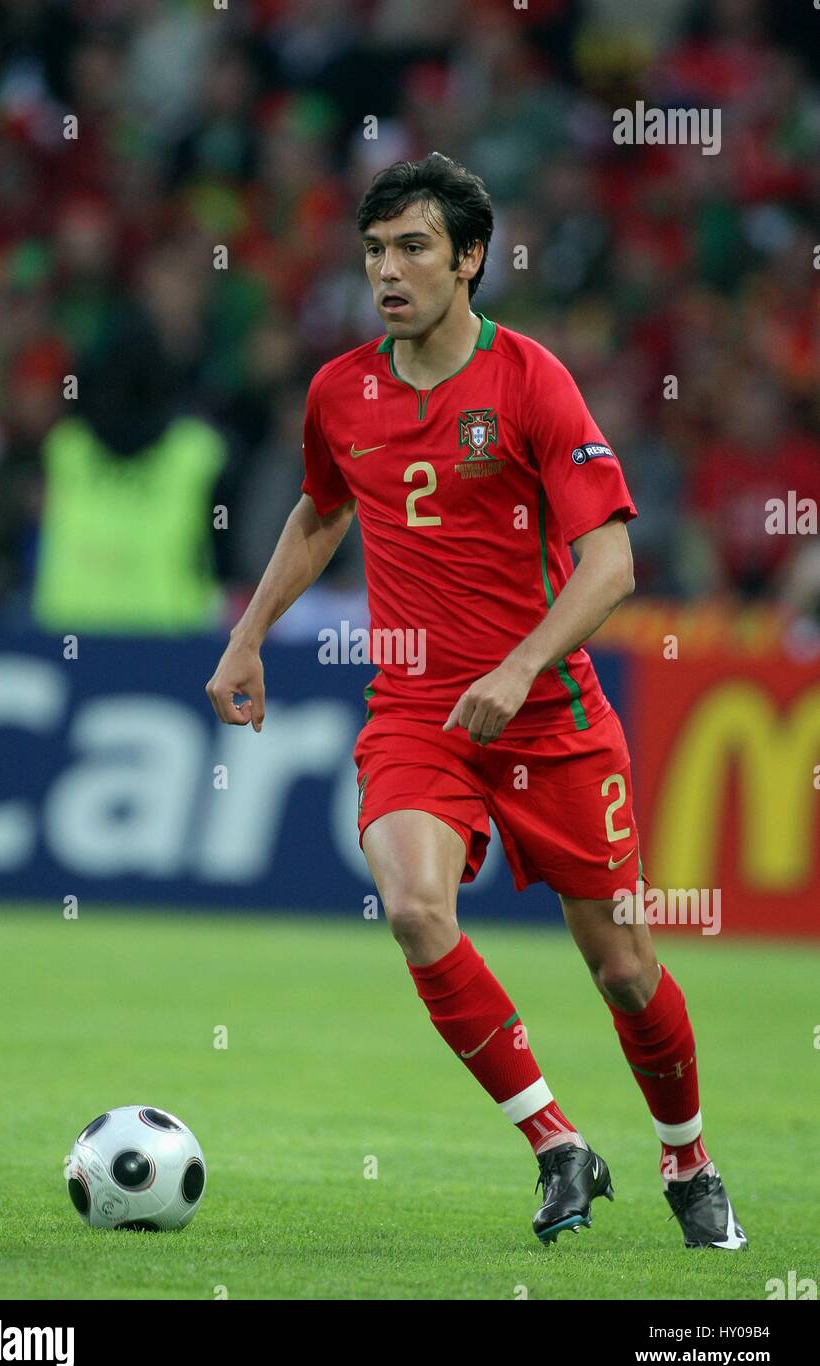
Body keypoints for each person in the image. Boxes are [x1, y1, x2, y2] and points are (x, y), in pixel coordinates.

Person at [205, 152, 747, 1249]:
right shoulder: (339, 392)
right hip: (418, 712)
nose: (388, 272)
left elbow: (612, 564)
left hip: (551, 718)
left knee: (625, 967)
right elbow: (320, 514)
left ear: (468, 259)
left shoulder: (531, 380)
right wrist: (249, 635)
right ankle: (556, 1143)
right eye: (373, 251)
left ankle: (687, 1158)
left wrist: (519, 667)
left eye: (412, 248)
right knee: (411, 906)